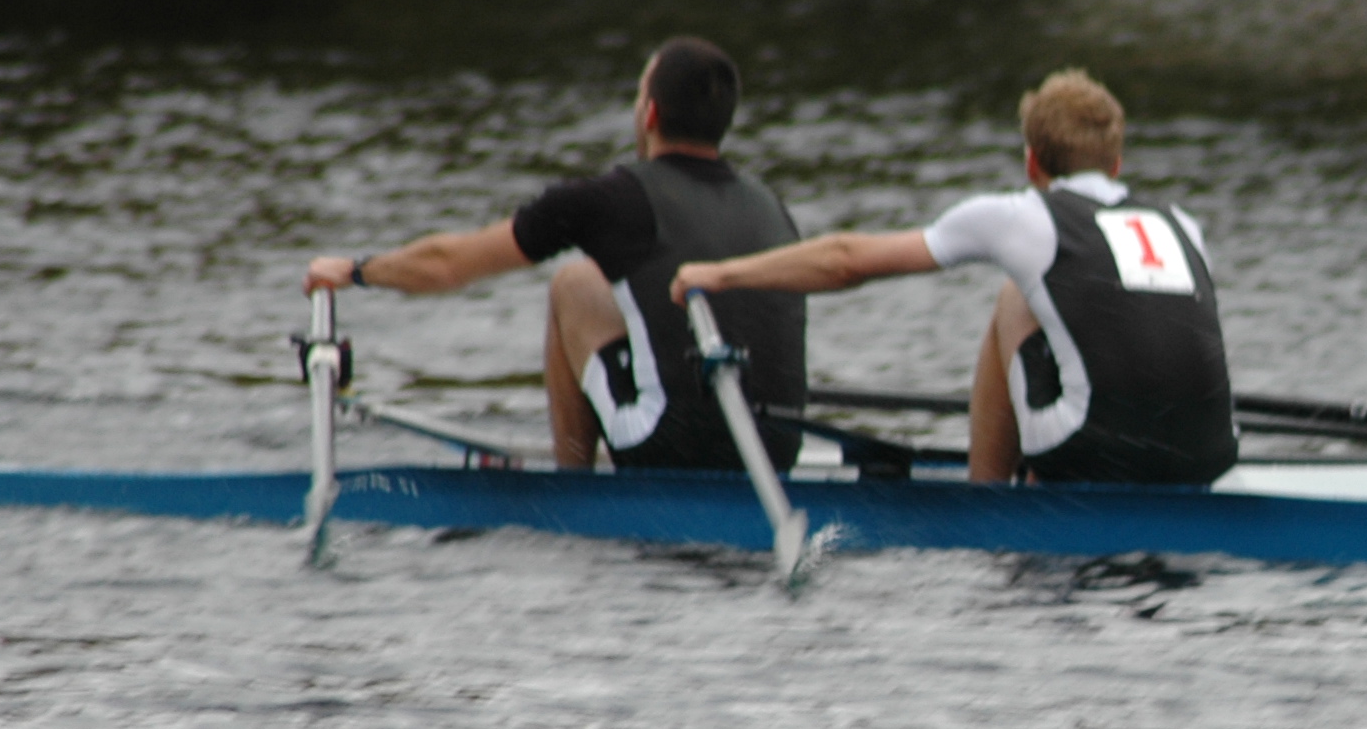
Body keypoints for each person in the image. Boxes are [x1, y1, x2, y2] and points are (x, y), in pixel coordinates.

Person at [672, 69, 1235, 486]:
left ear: (1032, 163)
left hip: (1093, 450)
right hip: (1212, 455)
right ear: (1116, 164)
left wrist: (720, 274)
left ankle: (985, 499)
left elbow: (848, 260)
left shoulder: (1023, 215)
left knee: (1016, 299)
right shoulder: (1183, 224)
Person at [302, 37, 805, 472]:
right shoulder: (771, 205)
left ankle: (573, 483)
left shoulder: (610, 199)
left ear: (649, 113)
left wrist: (356, 271)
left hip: (670, 448)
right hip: (776, 451)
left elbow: (449, 263)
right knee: (614, 289)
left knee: (572, 285)